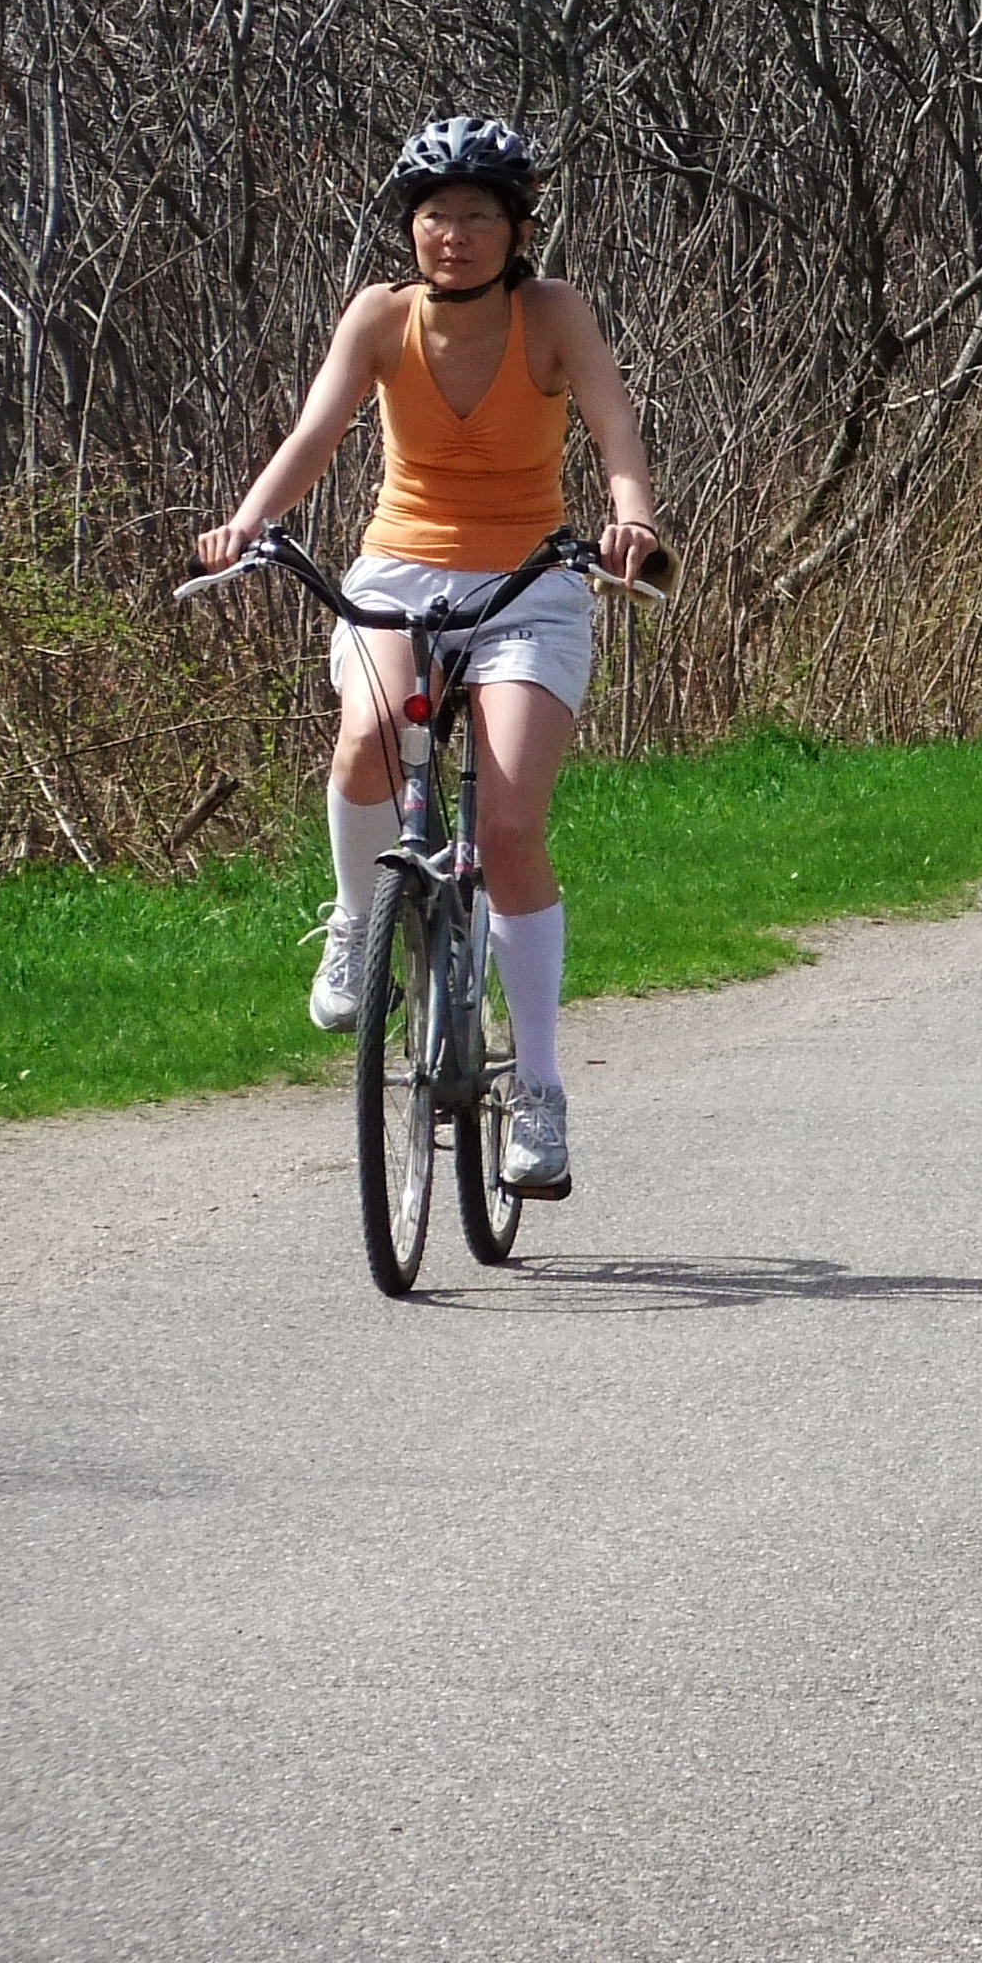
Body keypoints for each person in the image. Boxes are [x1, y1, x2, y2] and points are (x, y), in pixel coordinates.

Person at [195, 118, 664, 1197]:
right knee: (363, 738)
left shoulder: (552, 316)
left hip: (528, 586)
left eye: (478, 216)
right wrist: (248, 523)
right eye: (435, 216)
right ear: (408, 226)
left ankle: (538, 1089)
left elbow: (616, 436)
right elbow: (314, 435)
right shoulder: (379, 317)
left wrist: (630, 521)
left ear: (517, 229)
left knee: (505, 828)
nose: (453, 236)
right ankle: (359, 924)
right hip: (398, 575)